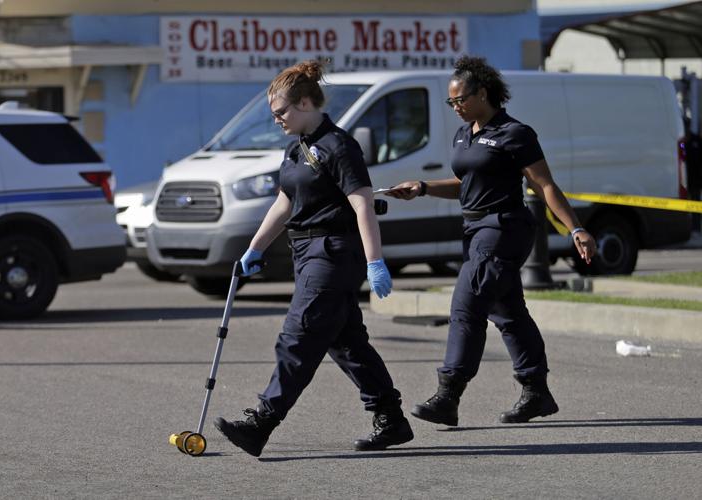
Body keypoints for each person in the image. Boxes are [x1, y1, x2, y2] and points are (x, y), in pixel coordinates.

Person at [214, 60, 413, 457]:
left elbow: (363, 207)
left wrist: (376, 262)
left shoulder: (340, 147)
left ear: (306, 102)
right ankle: (390, 419)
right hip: (305, 252)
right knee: (346, 342)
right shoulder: (296, 149)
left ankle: (261, 422)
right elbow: (283, 203)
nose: (277, 120)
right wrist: (253, 248)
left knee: (299, 335)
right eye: (274, 115)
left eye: (282, 112)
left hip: (334, 252)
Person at [386, 55, 597, 426]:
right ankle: (536, 392)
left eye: (459, 100)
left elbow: (544, 185)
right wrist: (422, 188)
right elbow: (466, 184)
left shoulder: (515, 134)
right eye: (450, 102)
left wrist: (575, 228)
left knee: (467, 305)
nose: (455, 107)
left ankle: (448, 394)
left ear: (482, 93)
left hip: (504, 228)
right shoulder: (464, 132)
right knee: (507, 310)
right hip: (474, 230)